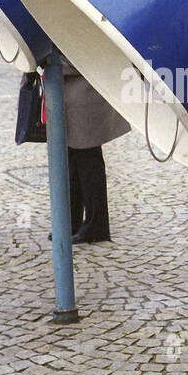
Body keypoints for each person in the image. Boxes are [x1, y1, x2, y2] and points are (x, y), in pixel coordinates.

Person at [63, 58, 129, 243]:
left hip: (85, 96)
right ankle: (73, 222)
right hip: (73, 95)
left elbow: (83, 57)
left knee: (88, 162)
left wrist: (51, 62)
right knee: (74, 162)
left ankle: (96, 225)